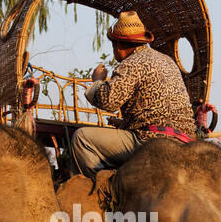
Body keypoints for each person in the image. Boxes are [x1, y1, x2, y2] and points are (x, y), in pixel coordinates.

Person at [69, 11, 195, 175]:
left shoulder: (131, 63)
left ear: (118, 45)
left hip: (151, 141)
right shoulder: (167, 60)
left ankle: (103, 190)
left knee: (81, 138)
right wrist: (124, 124)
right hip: (185, 141)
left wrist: (97, 82)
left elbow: (108, 101)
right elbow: (156, 111)